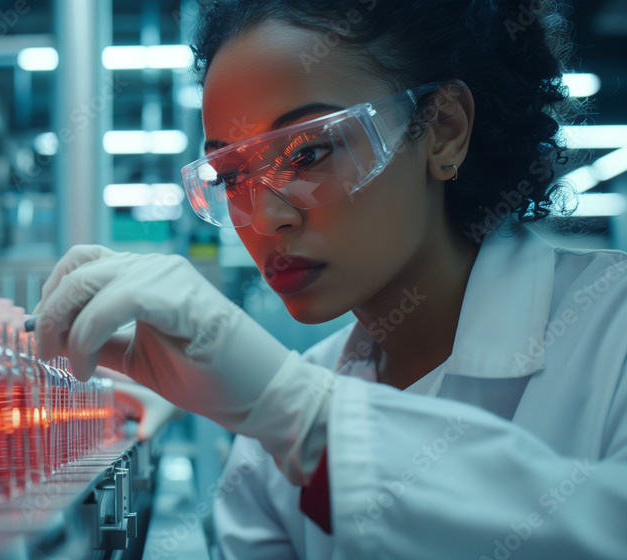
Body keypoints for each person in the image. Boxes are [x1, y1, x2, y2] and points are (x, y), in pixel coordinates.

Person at [32, 0, 627, 558]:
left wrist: (297, 416)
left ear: (444, 130)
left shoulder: (611, 328)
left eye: (309, 153)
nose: (265, 219)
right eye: (232, 176)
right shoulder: (278, 431)